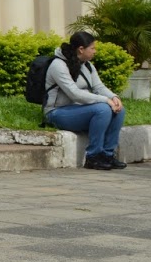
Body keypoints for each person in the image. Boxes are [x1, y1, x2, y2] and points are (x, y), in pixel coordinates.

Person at [42, 30, 127, 170]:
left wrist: (114, 97)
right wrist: (106, 100)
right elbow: (74, 93)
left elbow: (99, 86)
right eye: (92, 48)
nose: (95, 51)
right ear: (81, 49)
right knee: (103, 109)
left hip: (79, 110)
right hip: (56, 112)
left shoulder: (87, 64)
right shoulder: (59, 65)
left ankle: (107, 155)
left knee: (119, 110)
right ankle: (93, 157)